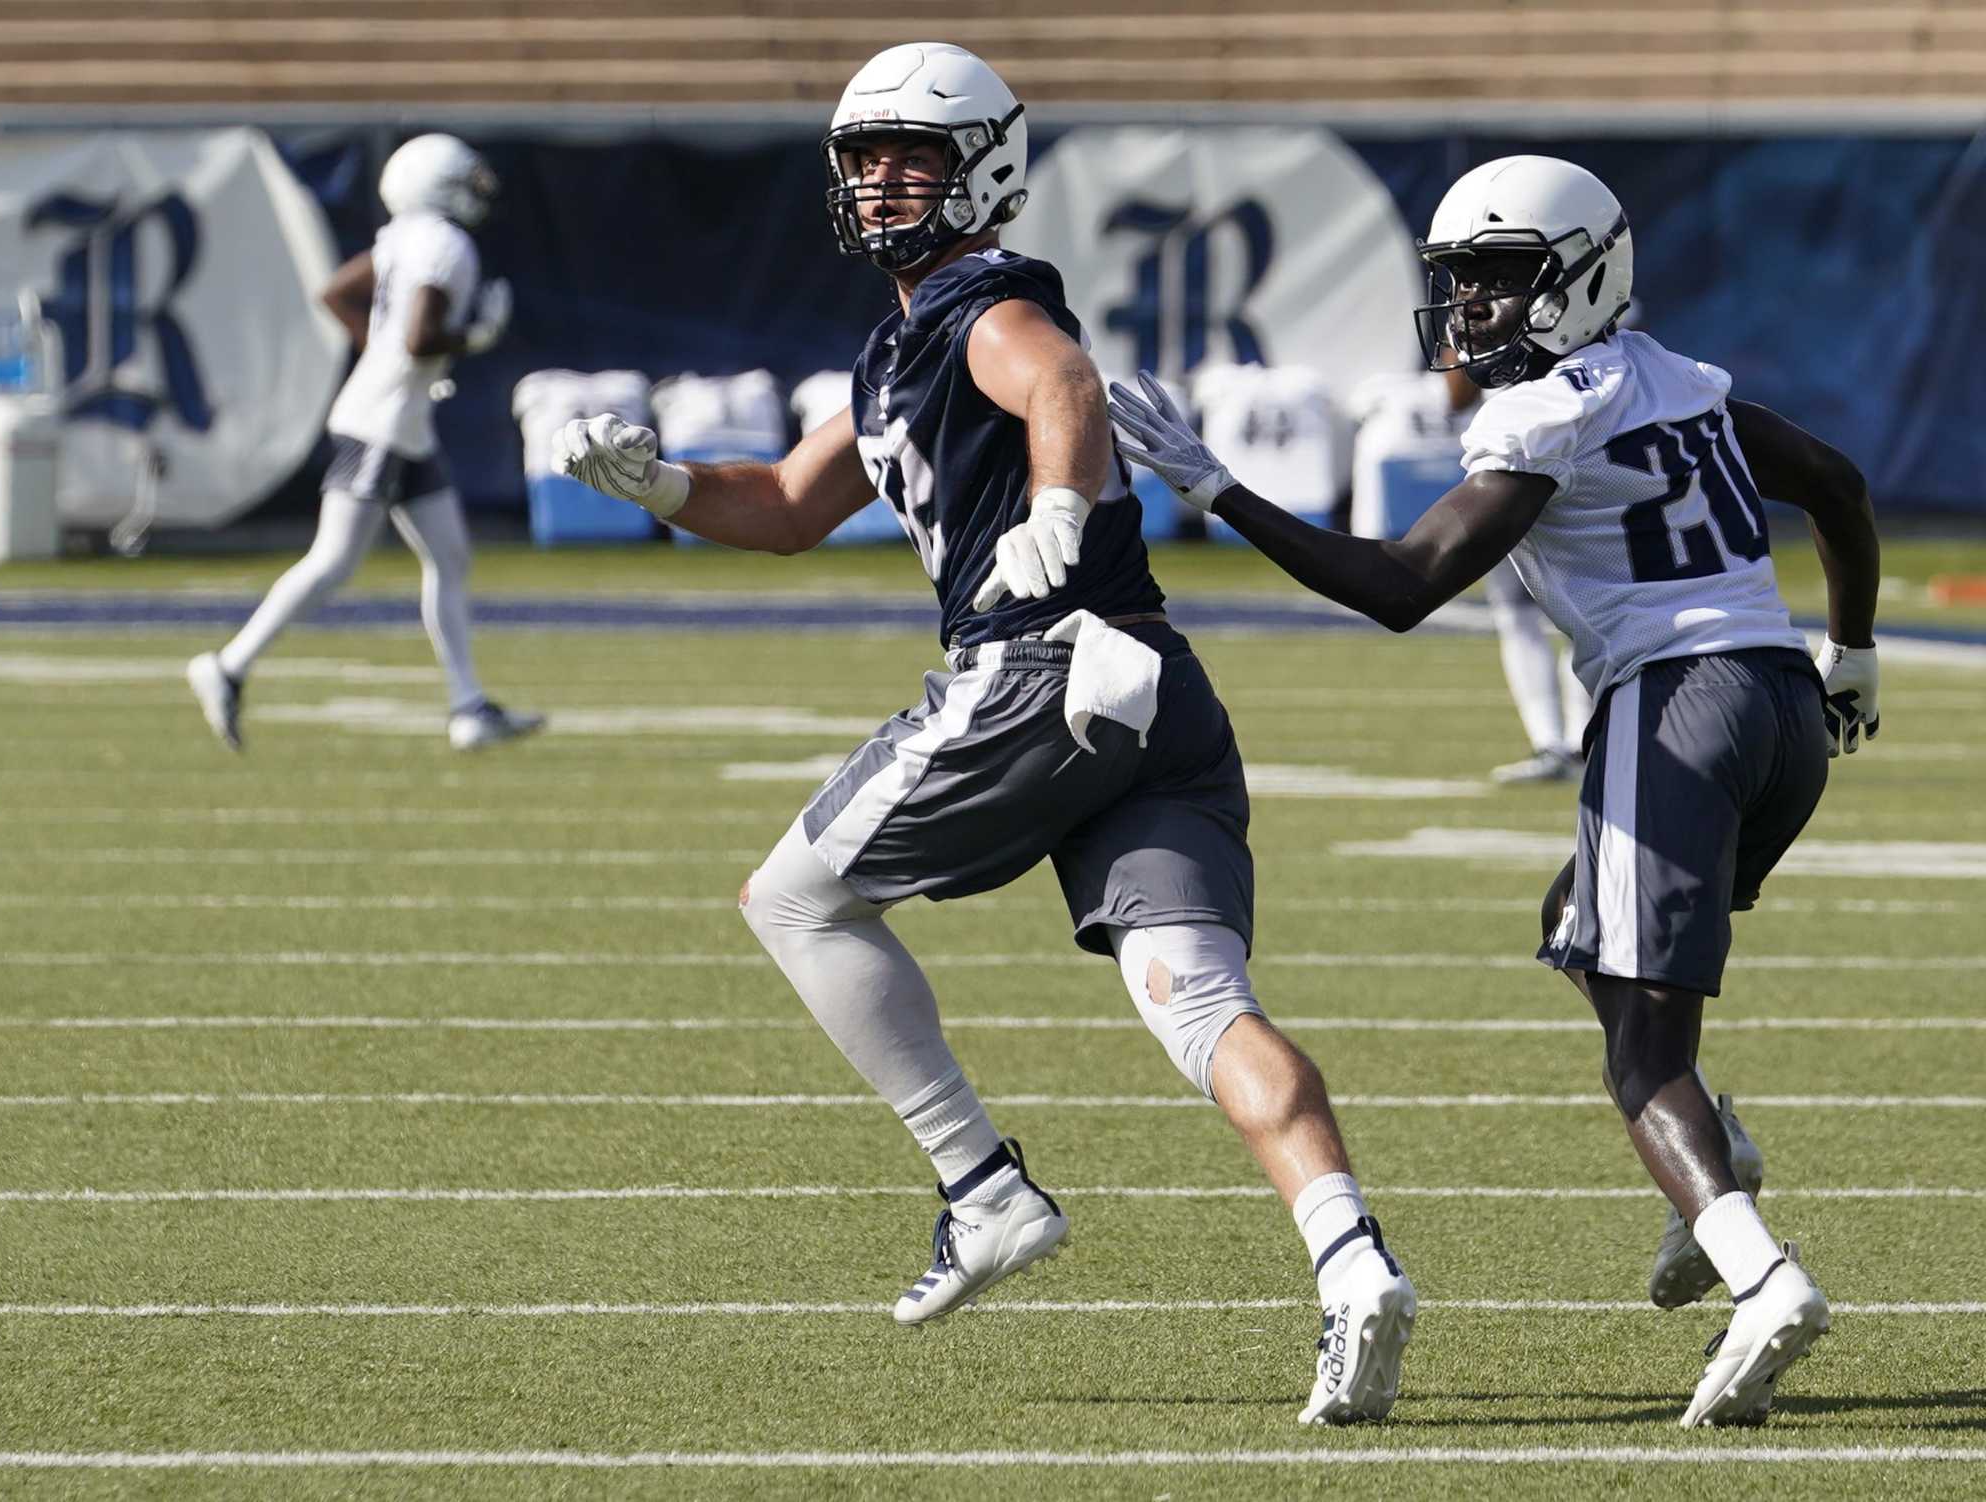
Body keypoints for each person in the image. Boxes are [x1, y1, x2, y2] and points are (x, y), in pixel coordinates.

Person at [553, 42, 1416, 1426]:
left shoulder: (979, 303)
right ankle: (1352, 1256)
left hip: (1043, 666)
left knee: (791, 896)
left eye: (915, 158)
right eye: (866, 159)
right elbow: (781, 500)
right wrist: (654, 481)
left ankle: (983, 1185)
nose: (884, 183)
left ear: (986, 169)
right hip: (1152, 689)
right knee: (1202, 1003)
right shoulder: (904, 345)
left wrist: (1060, 511)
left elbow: (1061, 385)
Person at [1109, 154, 1881, 1429]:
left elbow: (1401, 584)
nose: (1469, 308)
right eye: (1458, 281)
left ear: (1581, 276)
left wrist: (1215, 488)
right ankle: (1720, 1154)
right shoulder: (1682, 380)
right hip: (1776, 703)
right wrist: (1848, 653)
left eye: (1499, 280)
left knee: (1643, 1054)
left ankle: (1760, 1273)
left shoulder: (1541, 418)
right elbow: (1840, 488)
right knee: (1577, 919)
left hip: (1671, 707)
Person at [187, 133, 543, 753]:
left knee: (450, 557)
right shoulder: (443, 242)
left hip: (400, 422)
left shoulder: (405, 236)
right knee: (332, 563)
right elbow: (419, 340)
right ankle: (227, 666)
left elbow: (336, 293)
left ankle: (469, 708)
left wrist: (380, 353)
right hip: (383, 424)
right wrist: (475, 337)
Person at [1351, 362, 1590, 782]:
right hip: (1569, 472)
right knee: (1554, 612)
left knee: (1548, 615)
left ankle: (1566, 743)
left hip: (1539, 470)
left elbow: (1458, 393)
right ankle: (1569, 743)